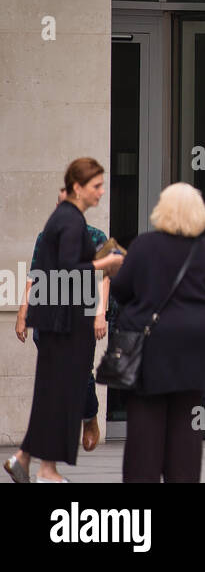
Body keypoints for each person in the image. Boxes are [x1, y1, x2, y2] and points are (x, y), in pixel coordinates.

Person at [7, 159, 123, 484]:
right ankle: (44, 470)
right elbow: (69, 271)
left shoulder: (65, 221)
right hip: (64, 324)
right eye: (96, 185)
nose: (101, 191)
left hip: (58, 322)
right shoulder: (70, 222)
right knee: (61, 396)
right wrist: (107, 262)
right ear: (76, 187)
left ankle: (29, 460)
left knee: (54, 395)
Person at [110, 184, 205, 482]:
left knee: (146, 423)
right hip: (195, 339)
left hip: (154, 340)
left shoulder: (144, 245)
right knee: (186, 420)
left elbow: (121, 290)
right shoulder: (203, 248)